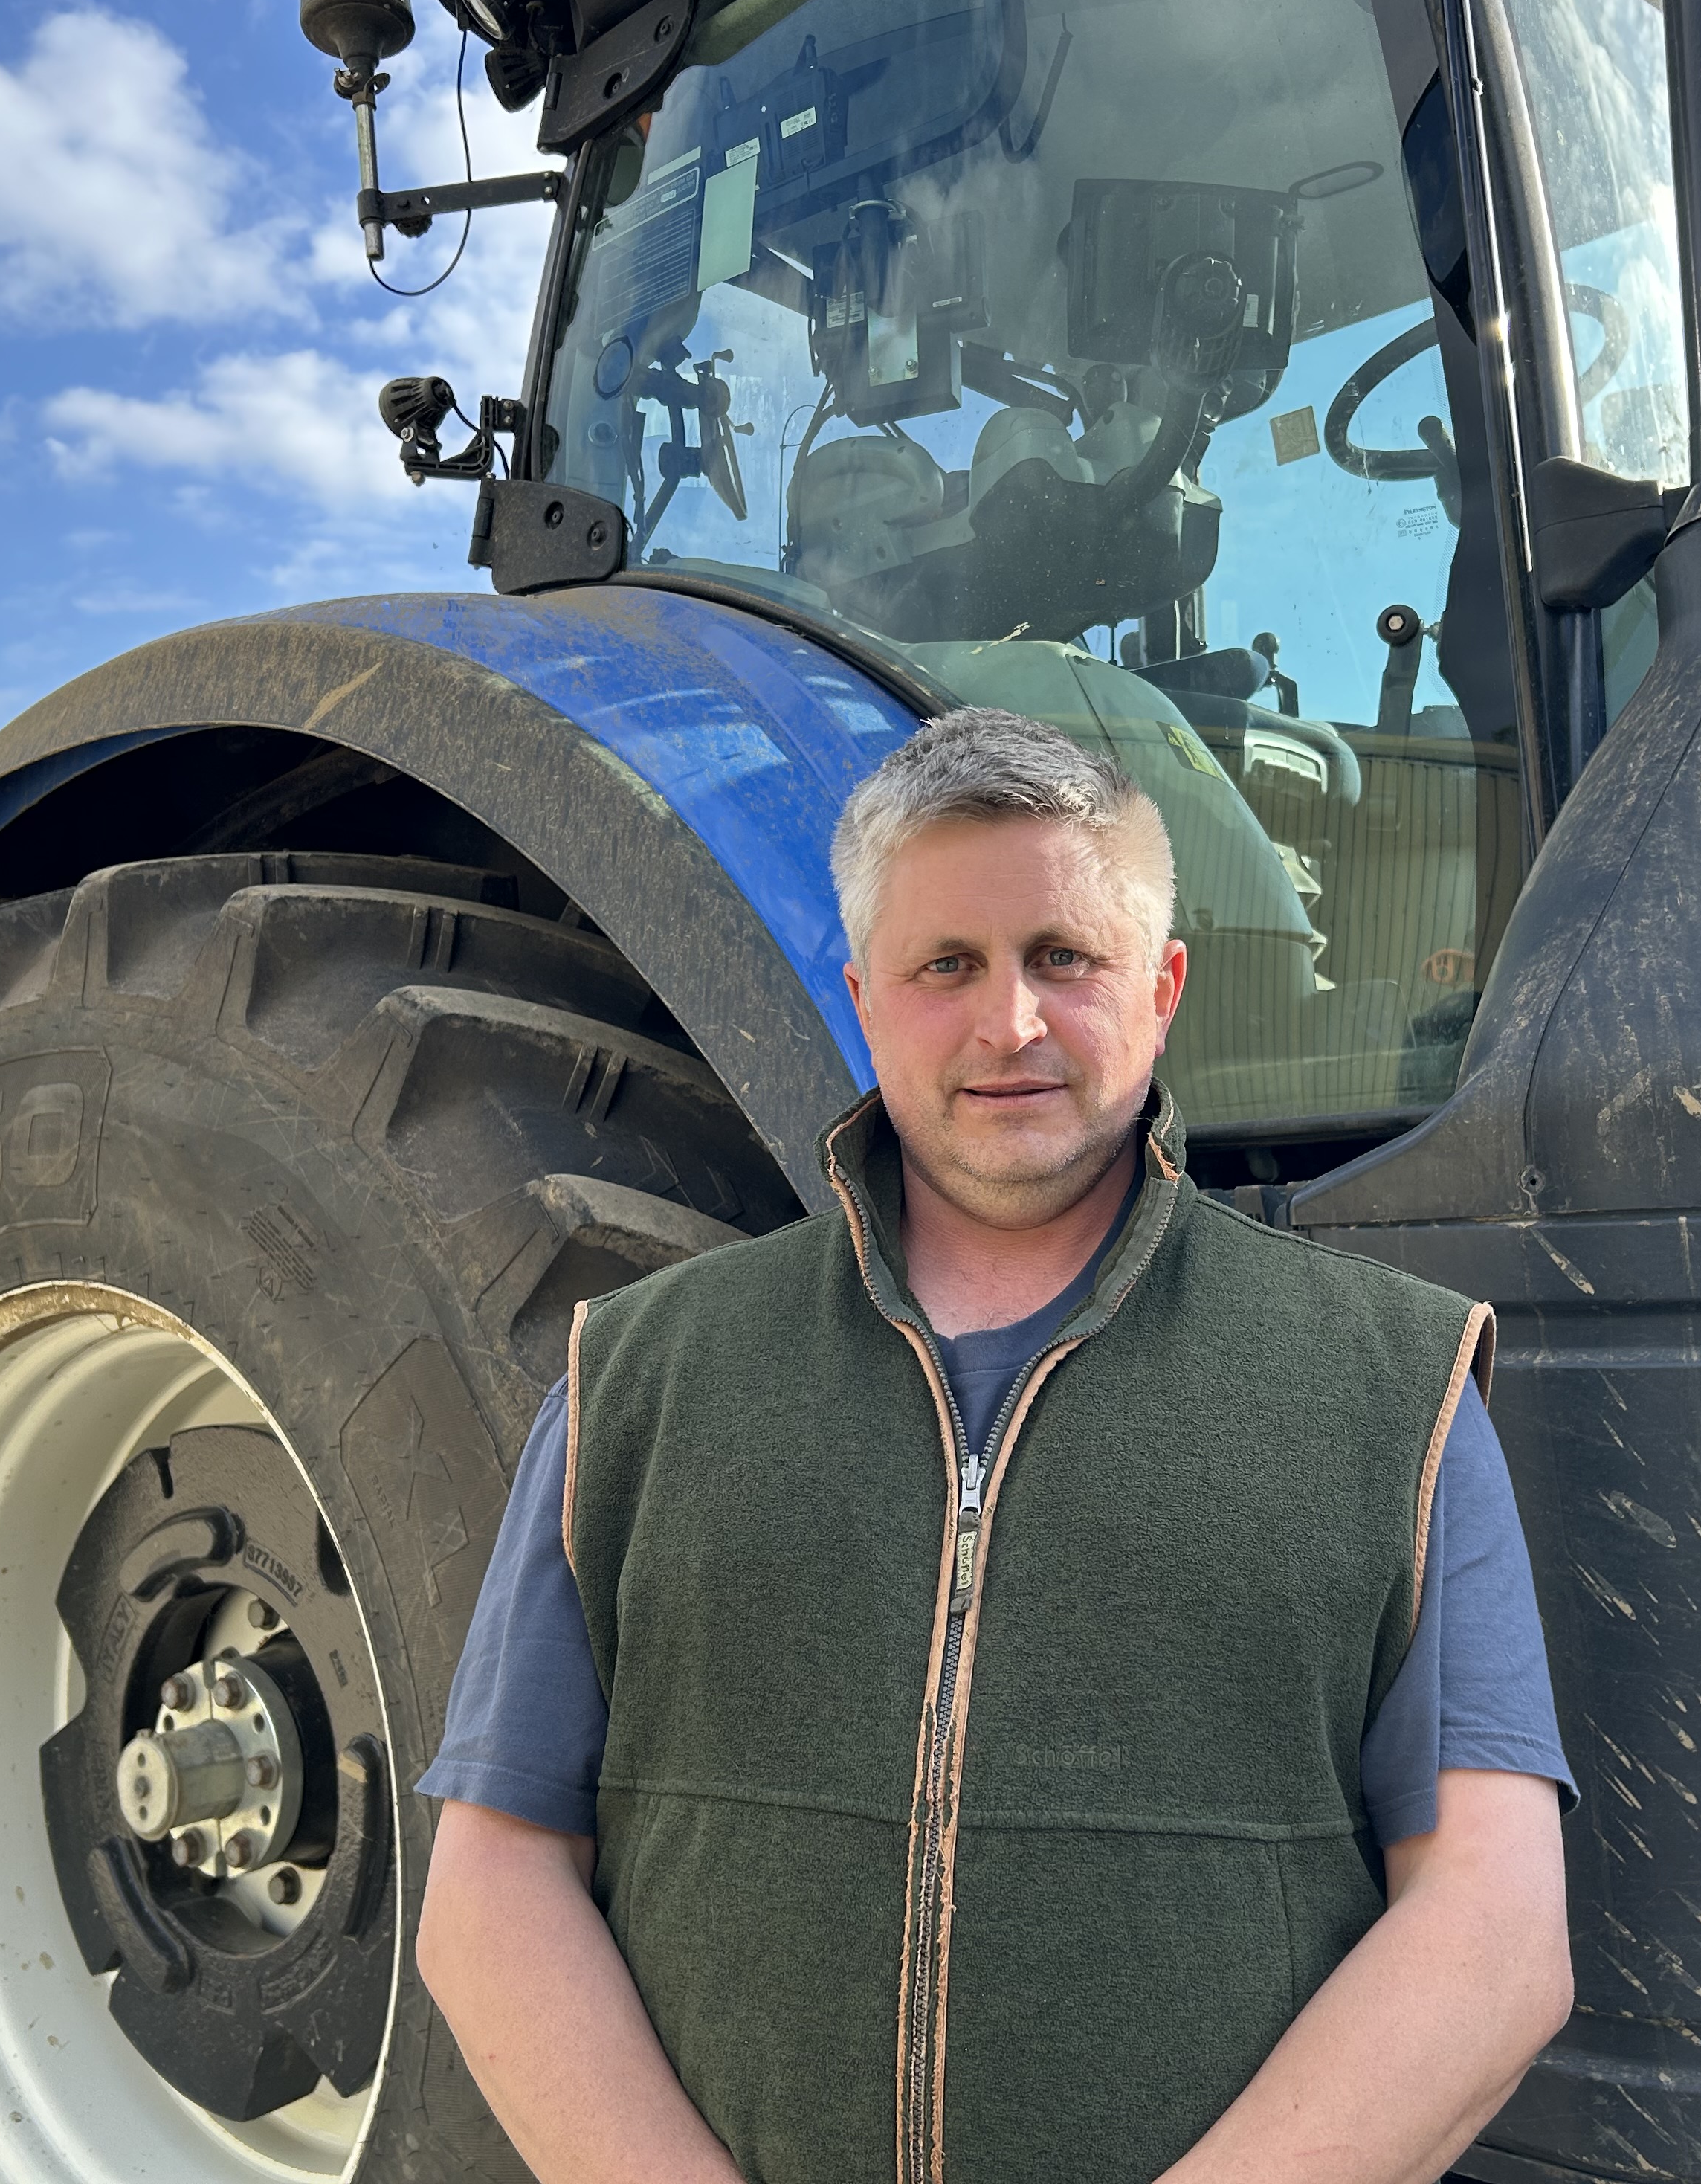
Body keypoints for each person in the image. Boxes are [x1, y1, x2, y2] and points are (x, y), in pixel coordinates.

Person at [414, 705, 1574, 2183]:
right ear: (864, 998)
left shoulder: (1394, 1393)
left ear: (1162, 990)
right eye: (947, 965)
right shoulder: (636, 1380)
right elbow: (494, 1887)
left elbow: (1494, 1933)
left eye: (1064, 959)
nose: (1009, 1023)